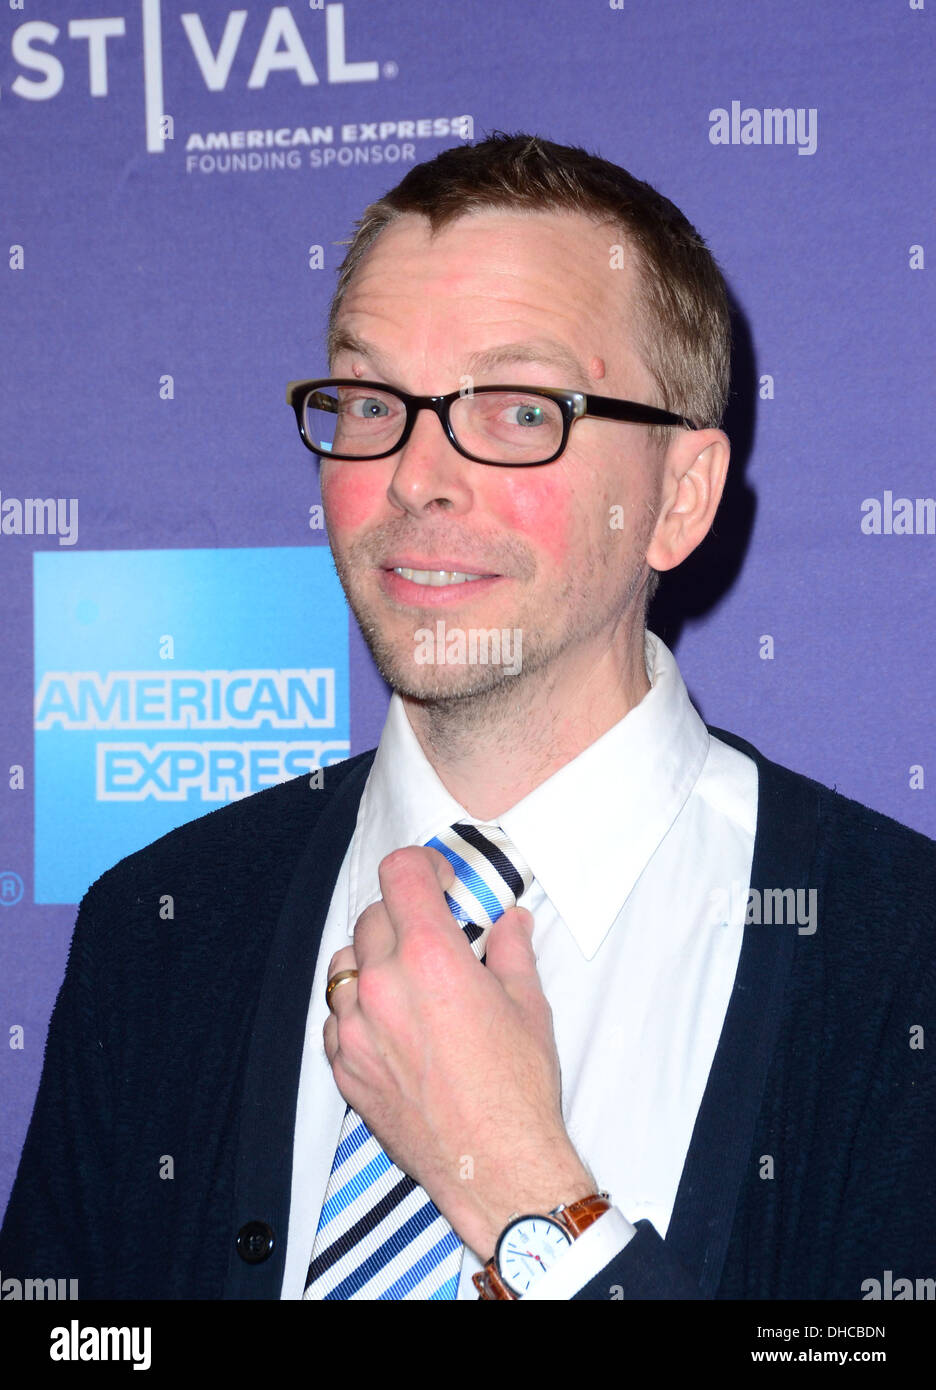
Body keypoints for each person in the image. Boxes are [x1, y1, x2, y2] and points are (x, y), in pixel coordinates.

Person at [1, 132, 933, 1301]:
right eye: (372, 398)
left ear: (678, 499)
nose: (414, 476)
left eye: (516, 409)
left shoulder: (899, 960)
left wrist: (529, 1204)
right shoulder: (162, 927)